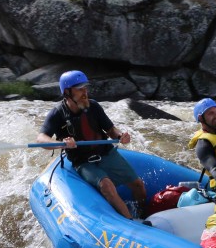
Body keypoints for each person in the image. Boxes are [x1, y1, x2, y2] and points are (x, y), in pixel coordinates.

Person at [37, 70, 147, 220]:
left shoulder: (94, 106)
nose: (85, 92)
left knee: (138, 184)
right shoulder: (57, 114)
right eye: (80, 89)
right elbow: (41, 139)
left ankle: (143, 216)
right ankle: (131, 223)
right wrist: (61, 144)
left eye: (85, 88)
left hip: (106, 153)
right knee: (107, 186)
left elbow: (111, 130)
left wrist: (121, 136)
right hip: (83, 162)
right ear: (68, 92)